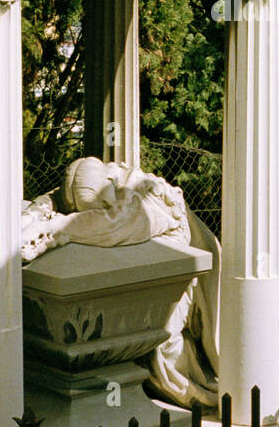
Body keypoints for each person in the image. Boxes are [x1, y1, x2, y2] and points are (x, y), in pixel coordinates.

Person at [20, 157, 219, 408]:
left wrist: (51, 231)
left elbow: (114, 224)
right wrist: (32, 216)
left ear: (110, 183)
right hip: (153, 274)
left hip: (190, 273)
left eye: (98, 206)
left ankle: (197, 397)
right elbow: (53, 199)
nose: (96, 211)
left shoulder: (150, 199)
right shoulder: (97, 184)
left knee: (167, 340)